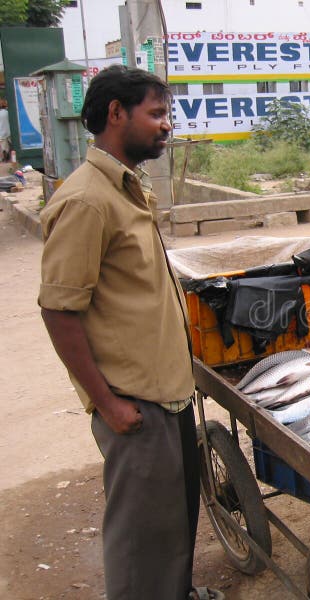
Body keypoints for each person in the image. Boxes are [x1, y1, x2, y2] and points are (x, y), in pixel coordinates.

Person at [38, 65, 217, 600]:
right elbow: (59, 311)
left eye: (168, 115)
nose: (167, 126)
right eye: (156, 114)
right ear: (116, 113)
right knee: (142, 542)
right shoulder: (86, 200)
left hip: (167, 391)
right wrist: (108, 404)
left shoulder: (126, 187)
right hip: (136, 402)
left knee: (171, 527)